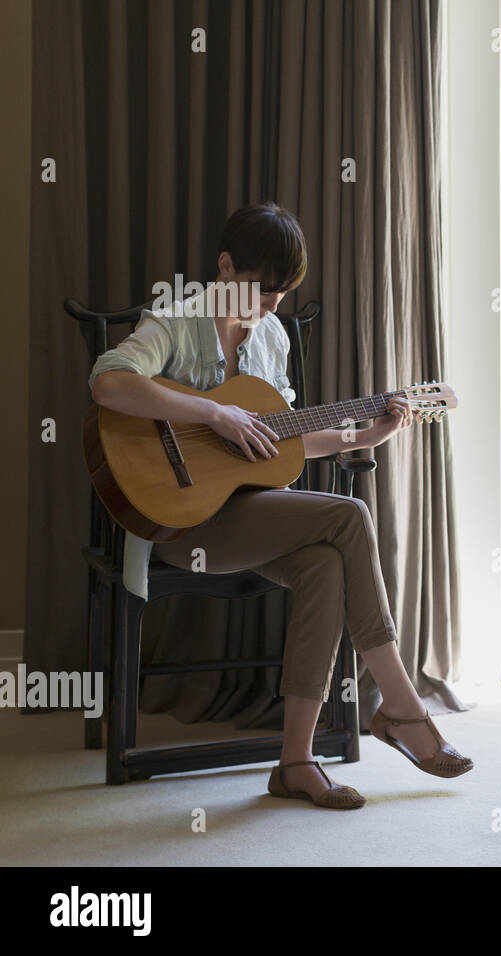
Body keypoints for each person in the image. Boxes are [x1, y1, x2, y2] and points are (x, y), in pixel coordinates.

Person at [88, 201, 471, 809]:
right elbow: (110, 383)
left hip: (251, 514)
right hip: (182, 524)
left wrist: (364, 436)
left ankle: (294, 761)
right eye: (260, 290)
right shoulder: (175, 322)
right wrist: (213, 410)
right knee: (350, 516)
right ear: (224, 265)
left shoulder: (270, 337)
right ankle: (401, 706)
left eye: (281, 294)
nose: (269, 307)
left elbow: (287, 438)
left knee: (323, 562)